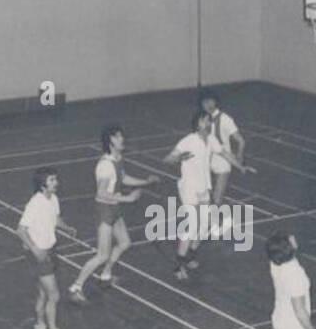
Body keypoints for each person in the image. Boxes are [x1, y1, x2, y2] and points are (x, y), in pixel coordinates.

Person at [68, 125, 159, 303]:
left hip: (114, 208)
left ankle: (105, 276)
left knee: (125, 242)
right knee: (102, 255)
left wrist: (146, 182)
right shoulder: (105, 166)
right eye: (117, 137)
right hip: (105, 211)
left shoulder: (117, 159)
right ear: (110, 142)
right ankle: (75, 287)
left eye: (121, 136)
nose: (122, 139)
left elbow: (124, 178)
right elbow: (100, 193)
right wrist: (128, 199)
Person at [163, 109, 254, 281]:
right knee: (192, 225)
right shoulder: (188, 141)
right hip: (189, 188)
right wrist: (179, 157)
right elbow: (167, 159)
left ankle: (190, 254)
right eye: (206, 120)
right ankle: (178, 265)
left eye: (210, 121)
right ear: (198, 123)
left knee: (204, 226)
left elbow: (225, 154)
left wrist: (241, 167)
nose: (209, 123)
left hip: (204, 188)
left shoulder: (211, 140)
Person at [17, 166, 77, 329]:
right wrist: (35, 250)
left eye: (55, 179)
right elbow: (20, 230)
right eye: (51, 180)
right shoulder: (35, 203)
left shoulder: (54, 199)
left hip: (50, 250)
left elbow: (56, 219)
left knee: (43, 294)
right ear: (42, 185)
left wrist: (66, 228)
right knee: (54, 295)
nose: (56, 183)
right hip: (39, 255)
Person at [201, 88, 246, 235]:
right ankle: (220, 220)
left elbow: (240, 141)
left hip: (223, 161)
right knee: (207, 195)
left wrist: (239, 157)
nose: (207, 104)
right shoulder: (202, 119)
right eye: (204, 101)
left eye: (210, 100)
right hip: (207, 161)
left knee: (217, 197)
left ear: (216, 102)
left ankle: (214, 226)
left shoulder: (226, 119)